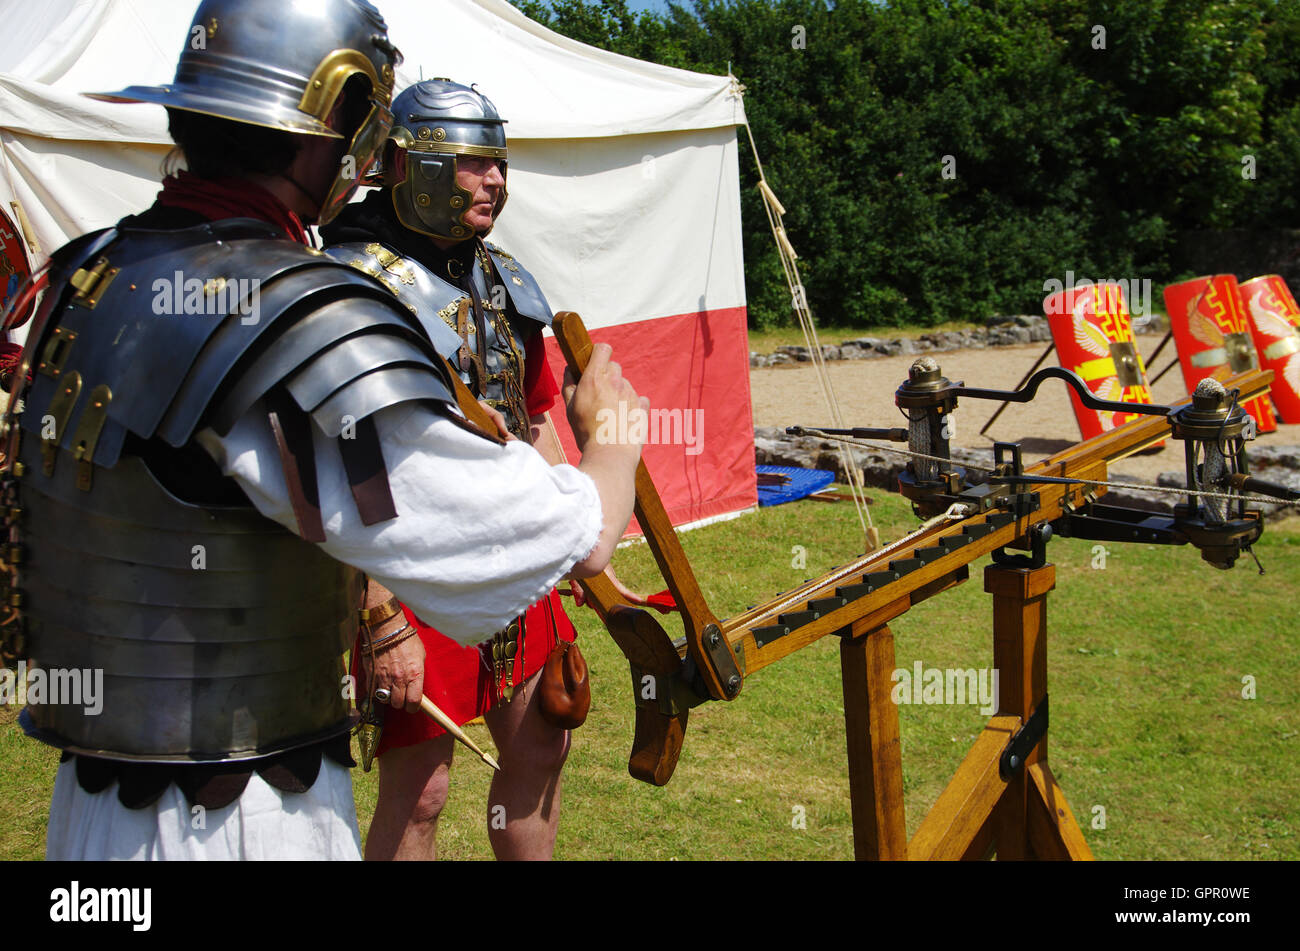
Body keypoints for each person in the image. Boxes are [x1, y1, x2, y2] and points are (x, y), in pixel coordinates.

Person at [4, 0, 645, 861]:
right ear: (338, 123)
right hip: (244, 807)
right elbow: (563, 533)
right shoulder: (300, 315)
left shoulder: (88, 271)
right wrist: (611, 440)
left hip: (96, 801)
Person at [321, 78, 635, 860]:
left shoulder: (502, 279)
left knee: (543, 742)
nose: (495, 179)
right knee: (421, 788)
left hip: (512, 553)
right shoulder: (350, 283)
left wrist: (581, 547)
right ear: (407, 165)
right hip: (410, 567)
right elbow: (342, 460)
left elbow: (534, 423)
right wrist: (382, 615)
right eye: (470, 163)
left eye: (497, 162)